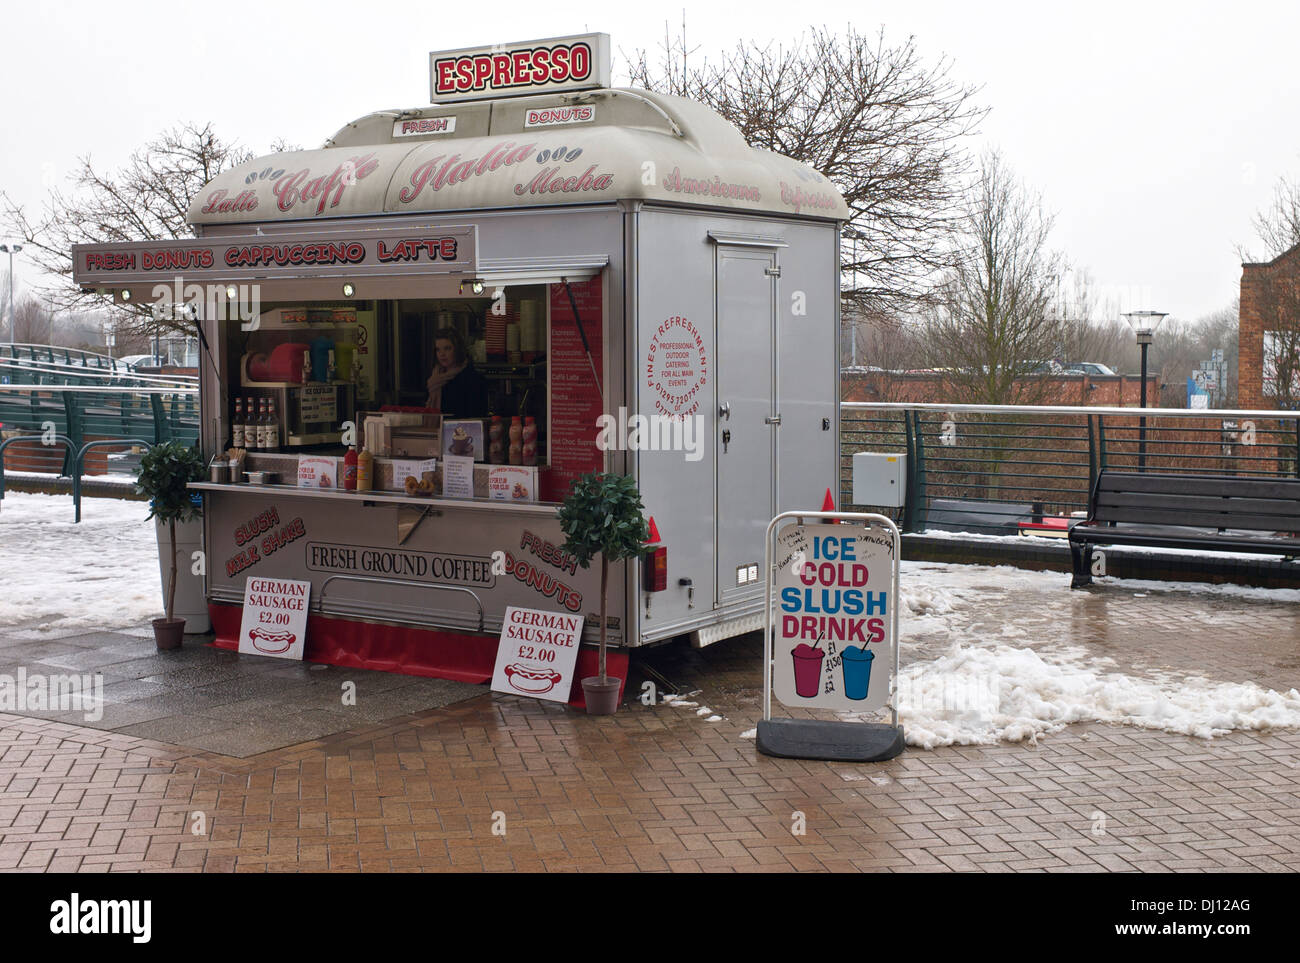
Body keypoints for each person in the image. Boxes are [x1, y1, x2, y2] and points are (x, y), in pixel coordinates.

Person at [426, 327, 488, 416]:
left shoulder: (472, 379)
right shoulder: (435, 377)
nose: (442, 354)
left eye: (447, 348)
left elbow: (476, 416)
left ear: (457, 349)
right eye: (438, 349)